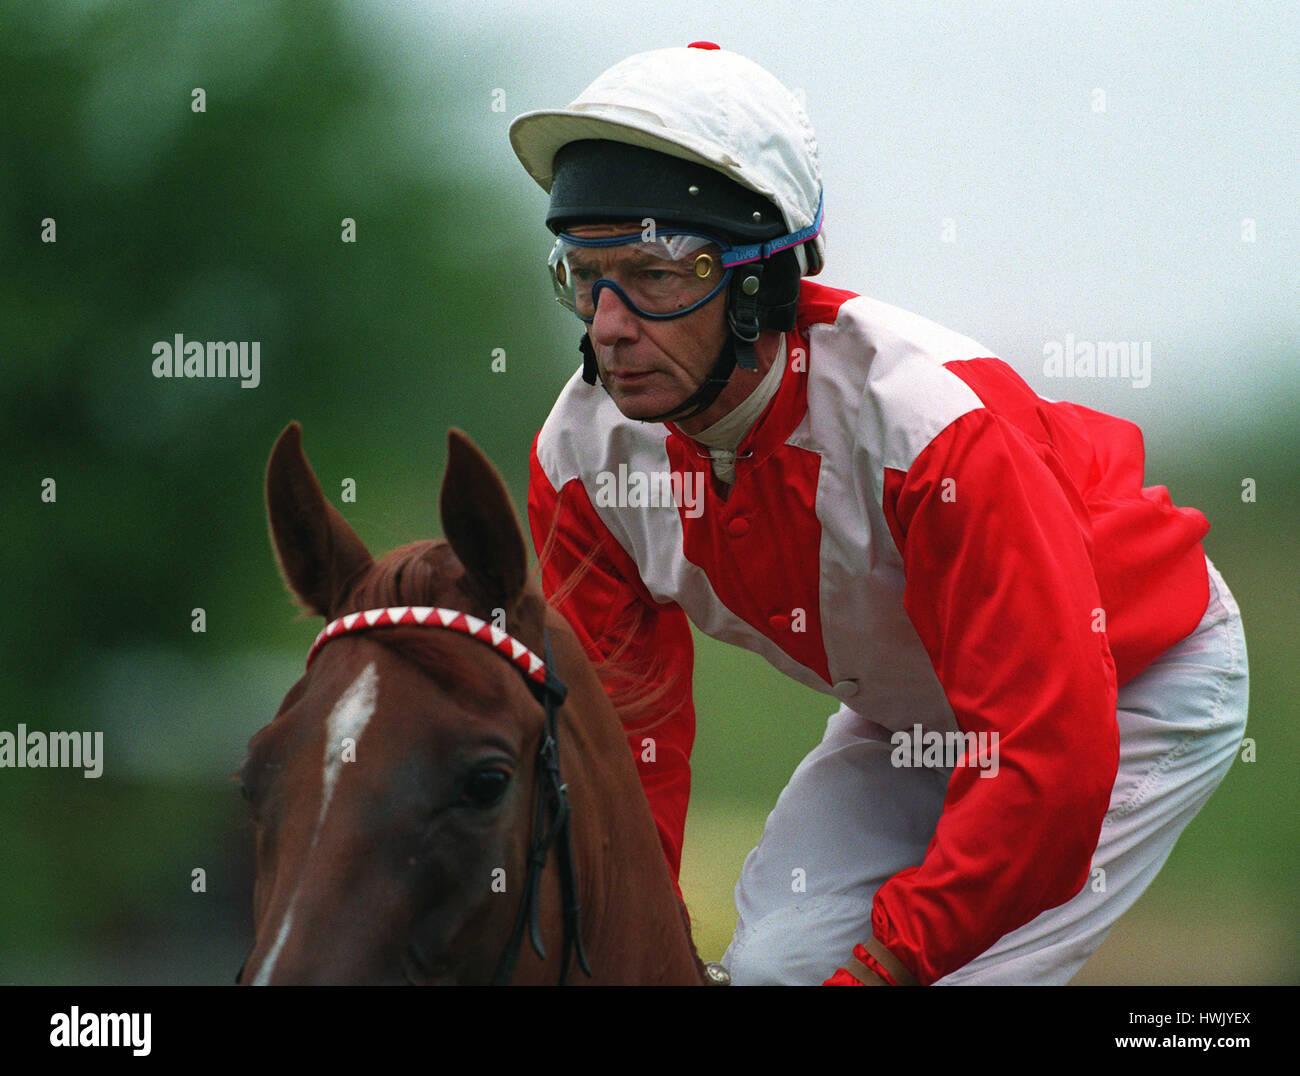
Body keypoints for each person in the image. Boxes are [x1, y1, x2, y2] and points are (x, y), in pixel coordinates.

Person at [508, 43, 1249, 985]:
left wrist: (887, 968)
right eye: (584, 273)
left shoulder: (926, 430)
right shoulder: (580, 460)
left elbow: (1048, 763)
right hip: (920, 703)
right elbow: (622, 747)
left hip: (1134, 684)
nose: (608, 324)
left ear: (758, 279)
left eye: (655, 274)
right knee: (774, 968)